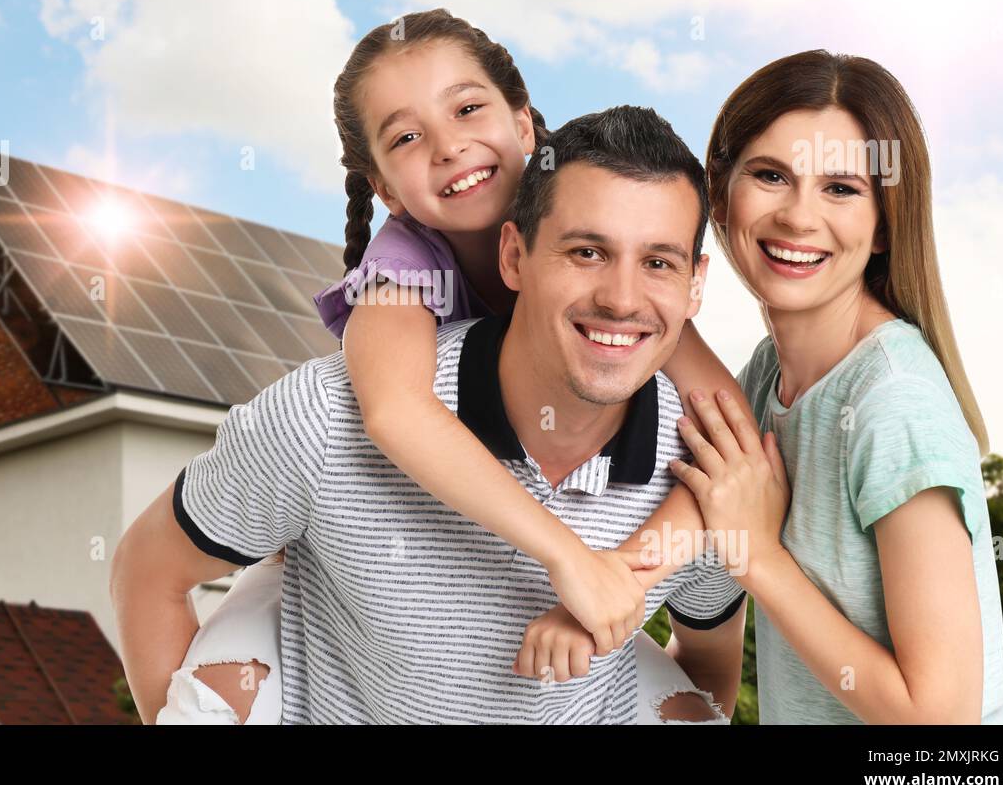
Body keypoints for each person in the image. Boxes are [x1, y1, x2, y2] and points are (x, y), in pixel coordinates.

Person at [111, 106, 748, 724]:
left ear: (695, 284)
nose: (620, 299)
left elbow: (706, 668)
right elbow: (147, 571)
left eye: (658, 263)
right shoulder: (325, 417)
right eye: (586, 252)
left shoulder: (706, 472)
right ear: (513, 257)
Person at [664, 50, 1003, 723]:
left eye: (841, 188)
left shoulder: (893, 403)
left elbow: (939, 723)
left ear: (885, 221)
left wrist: (759, 557)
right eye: (771, 176)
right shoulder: (772, 371)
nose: (799, 217)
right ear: (721, 194)